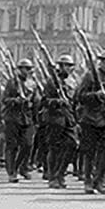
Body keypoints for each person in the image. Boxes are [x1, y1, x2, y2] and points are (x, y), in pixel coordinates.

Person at [74, 50, 105, 194]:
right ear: (102, 61)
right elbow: (80, 96)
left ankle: (99, 179)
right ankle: (88, 180)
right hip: (91, 118)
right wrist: (95, 95)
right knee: (89, 151)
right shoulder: (89, 76)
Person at [41, 54, 78, 190]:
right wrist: (57, 101)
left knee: (73, 144)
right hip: (55, 118)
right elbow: (44, 101)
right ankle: (52, 177)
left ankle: (60, 173)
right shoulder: (51, 82)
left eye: (70, 66)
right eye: (66, 66)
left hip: (68, 118)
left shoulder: (72, 81)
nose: (68, 69)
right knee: (54, 148)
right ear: (60, 67)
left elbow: (74, 100)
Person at [1, 58, 40, 183]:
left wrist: (36, 119)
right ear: (19, 70)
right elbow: (4, 100)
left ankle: (18, 167)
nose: (28, 71)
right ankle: (11, 172)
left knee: (27, 145)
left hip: (27, 118)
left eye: (29, 69)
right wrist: (16, 101)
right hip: (13, 117)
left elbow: (35, 101)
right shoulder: (11, 83)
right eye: (25, 68)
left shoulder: (32, 84)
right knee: (12, 146)